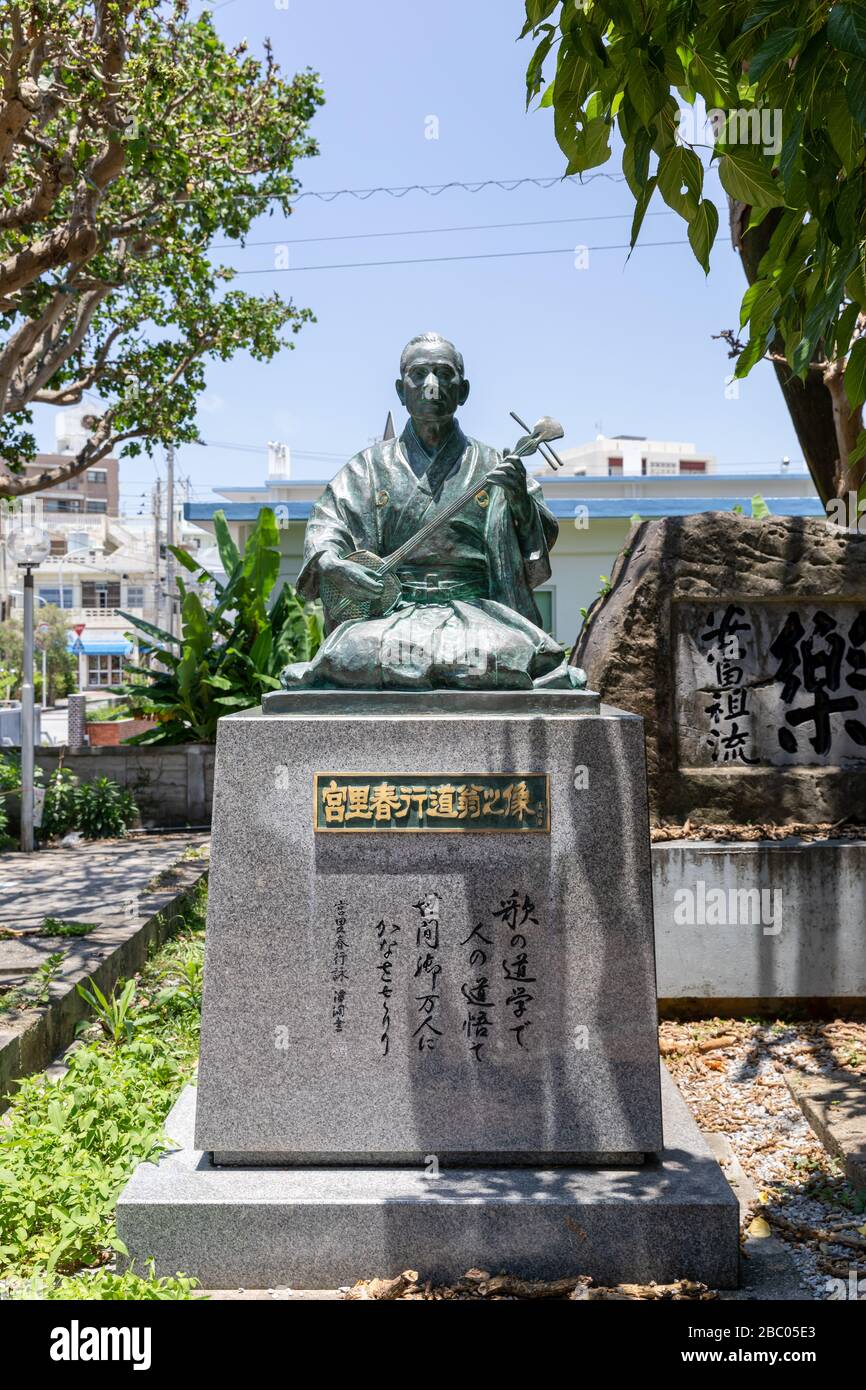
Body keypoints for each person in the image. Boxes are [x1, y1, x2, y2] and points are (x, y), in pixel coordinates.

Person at [280, 332, 584, 690]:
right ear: (400, 389)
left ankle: (440, 666)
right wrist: (330, 563)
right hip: (390, 617)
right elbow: (328, 526)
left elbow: (535, 549)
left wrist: (518, 500)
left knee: (498, 653)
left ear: (464, 390)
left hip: (476, 615)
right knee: (355, 652)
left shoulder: (495, 465)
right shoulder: (368, 468)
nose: (431, 385)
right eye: (419, 373)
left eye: (443, 373)